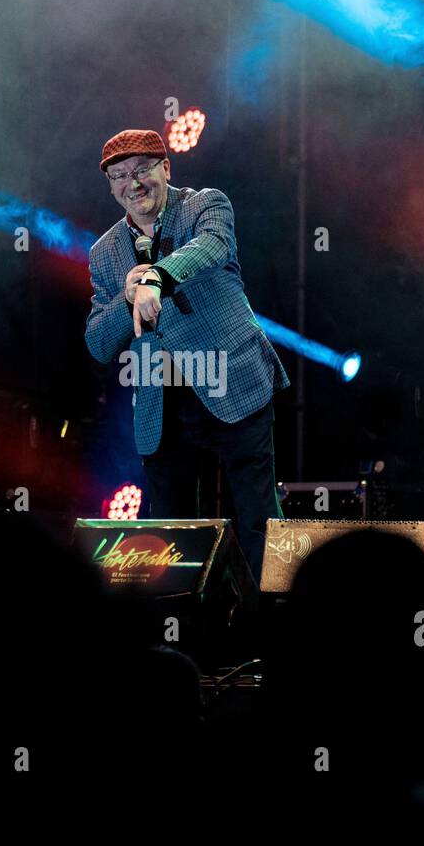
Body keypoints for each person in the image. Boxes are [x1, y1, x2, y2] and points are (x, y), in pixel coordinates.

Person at [85, 128, 289, 585]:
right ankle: (182, 636)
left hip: (232, 380)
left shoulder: (205, 205)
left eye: (142, 171)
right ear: (111, 187)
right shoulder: (104, 253)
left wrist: (156, 276)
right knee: (170, 536)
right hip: (163, 403)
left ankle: (275, 632)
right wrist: (126, 296)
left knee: (258, 521)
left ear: (165, 169)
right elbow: (98, 343)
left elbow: (211, 248)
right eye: (120, 176)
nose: (133, 184)